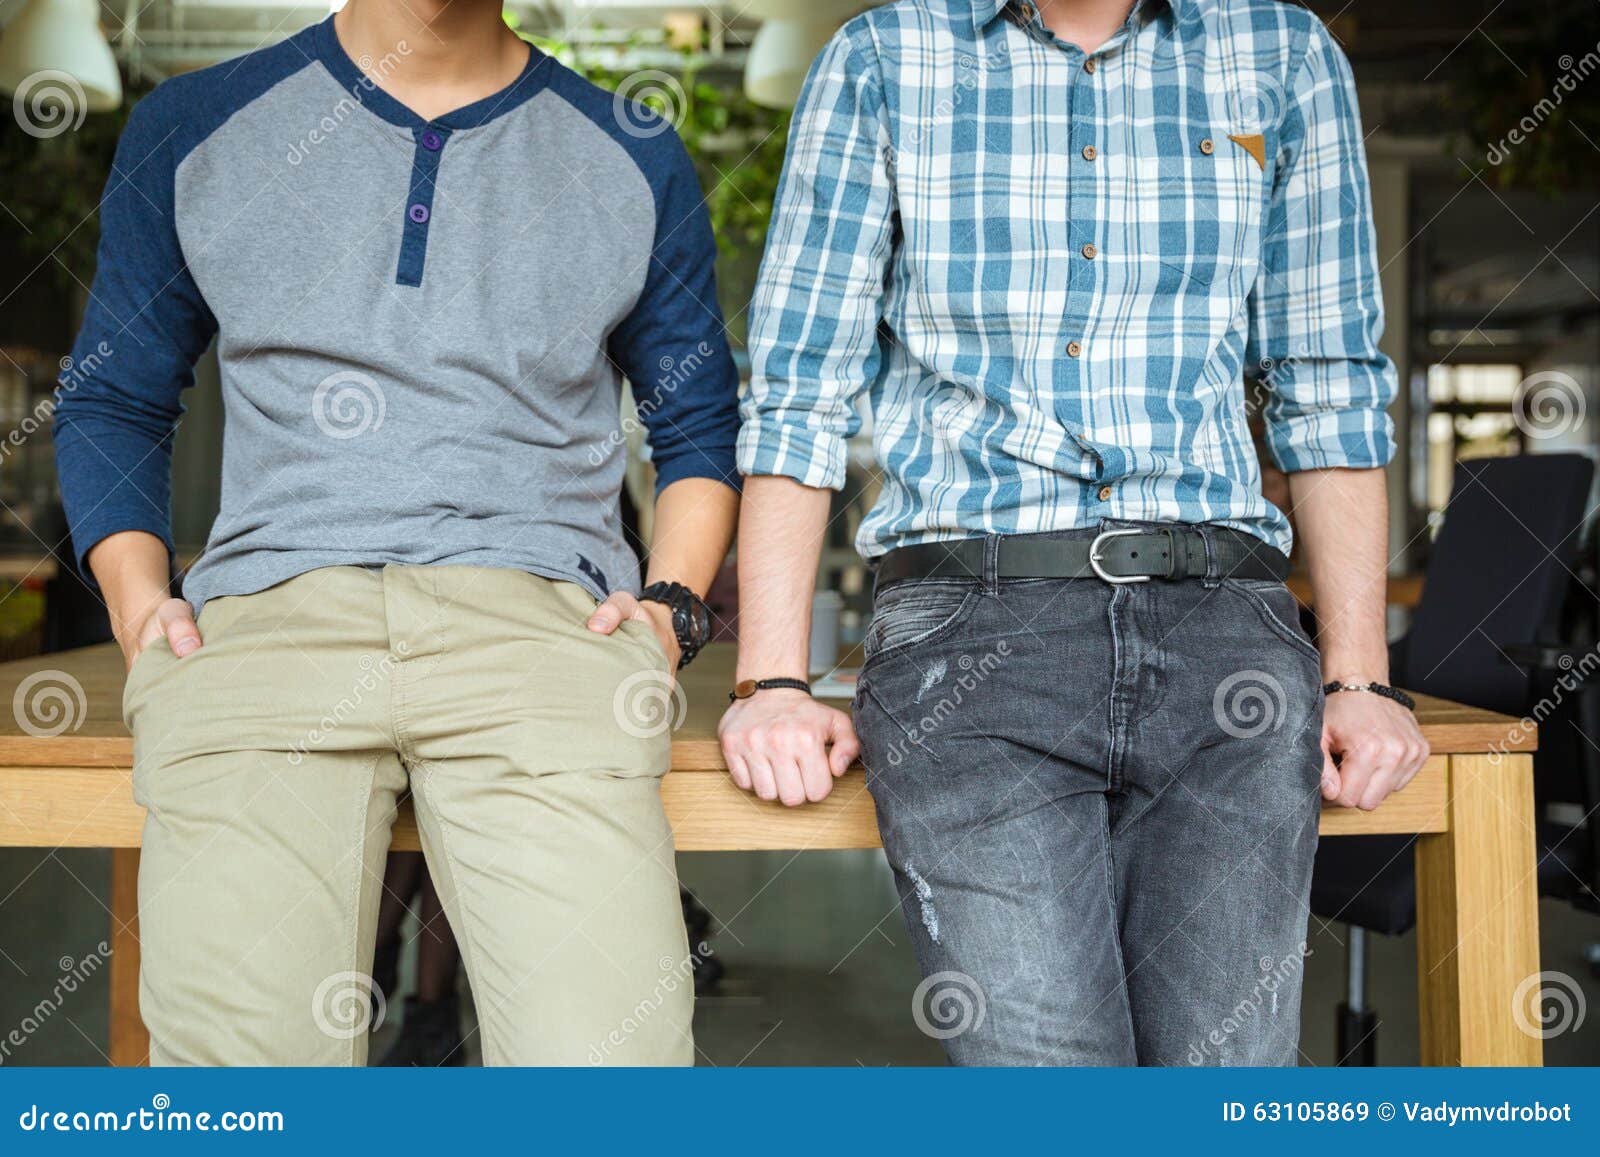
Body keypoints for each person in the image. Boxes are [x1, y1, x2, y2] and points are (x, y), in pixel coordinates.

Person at [720, 0, 1429, 1065]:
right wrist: (770, 679)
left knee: (1227, 1086)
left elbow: (1326, 385)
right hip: (972, 633)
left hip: (1222, 628)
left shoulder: (1281, 54)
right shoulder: (883, 57)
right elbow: (798, 395)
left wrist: (1360, 678)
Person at [55, 0, 737, 1065]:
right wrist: (141, 606)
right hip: (271, 620)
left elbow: (696, 423)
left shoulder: (630, 150)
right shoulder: (196, 123)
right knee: (242, 1095)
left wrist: (669, 605)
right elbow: (113, 397)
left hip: (542, 625)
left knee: (611, 1083)